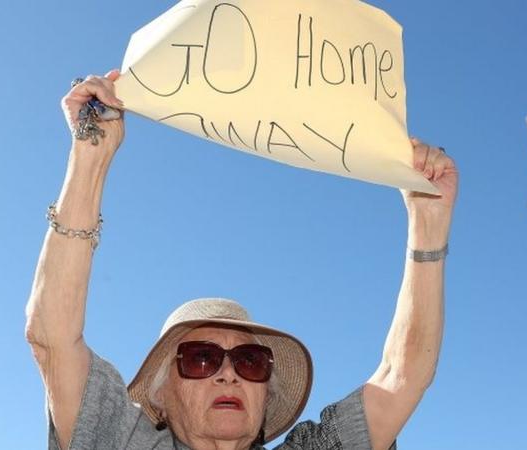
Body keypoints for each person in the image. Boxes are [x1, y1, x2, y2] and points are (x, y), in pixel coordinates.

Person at [25, 69, 458, 450]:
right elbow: (52, 339)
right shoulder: (119, 441)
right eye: (200, 358)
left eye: (251, 362)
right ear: (162, 395)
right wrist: (91, 156)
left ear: (266, 395)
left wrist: (428, 224)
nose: (228, 375)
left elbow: (401, 377)